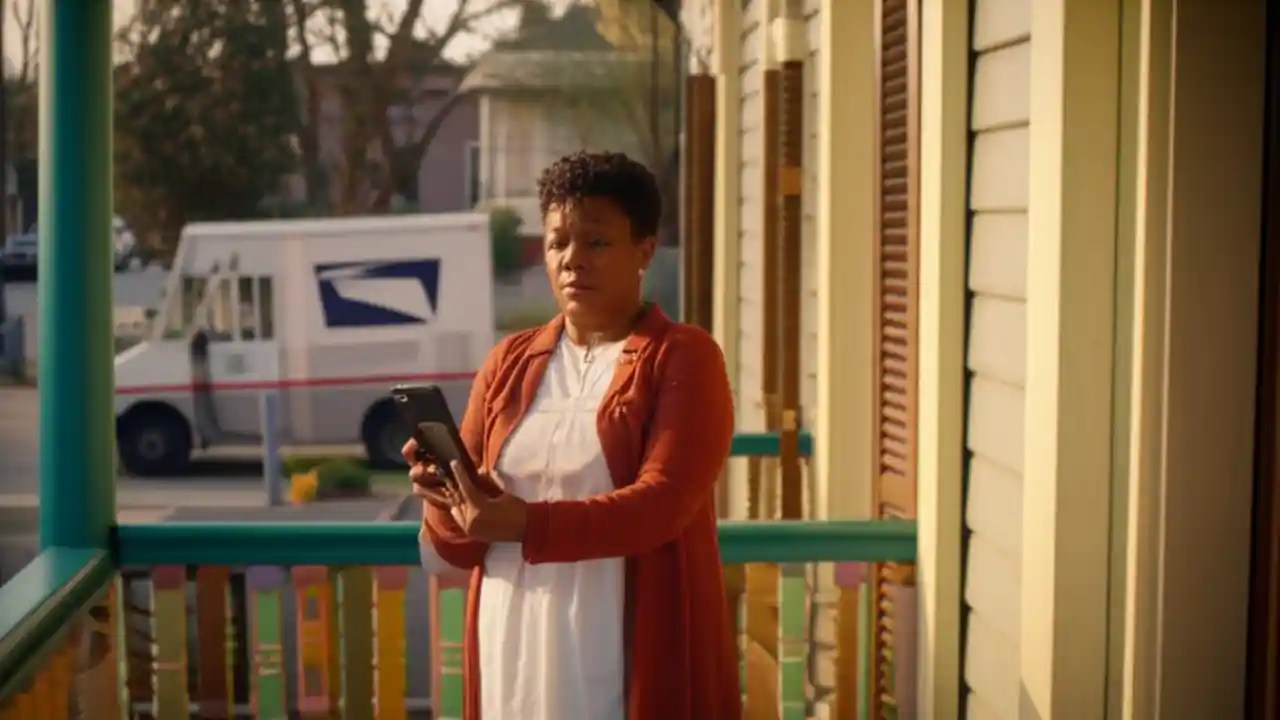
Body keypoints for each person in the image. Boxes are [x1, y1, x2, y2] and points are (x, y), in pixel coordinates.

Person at [404, 150, 740, 720]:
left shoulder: (683, 357)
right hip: (511, 648)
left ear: (645, 251)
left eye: (597, 242)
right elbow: (458, 548)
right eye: (558, 242)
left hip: (618, 654)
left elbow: (662, 505)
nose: (572, 260)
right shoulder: (509, 361)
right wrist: (446, 497)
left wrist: (526, 523)